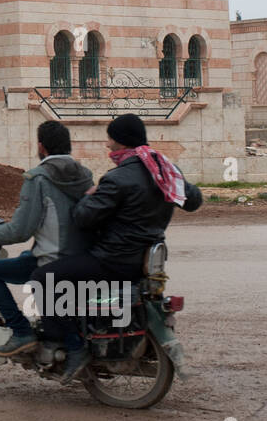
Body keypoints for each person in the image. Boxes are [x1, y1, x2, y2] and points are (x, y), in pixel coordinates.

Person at [36, 113, 202, 384]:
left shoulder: (118, 178)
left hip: (113, 260)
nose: (107, 144)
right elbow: (194, 201)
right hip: (146, 259)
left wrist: (89, 196)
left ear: (121, 141)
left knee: (44, 278)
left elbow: (83, 218)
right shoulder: (164, 170)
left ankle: (73, 348)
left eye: (110, 139)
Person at [0, 120, 93, 357]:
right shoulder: (85, 176)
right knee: (26, 256)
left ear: (41, 146)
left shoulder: (38, 179)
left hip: (52, 261)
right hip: (81, 258)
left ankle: (21, 332)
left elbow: (20, 230)